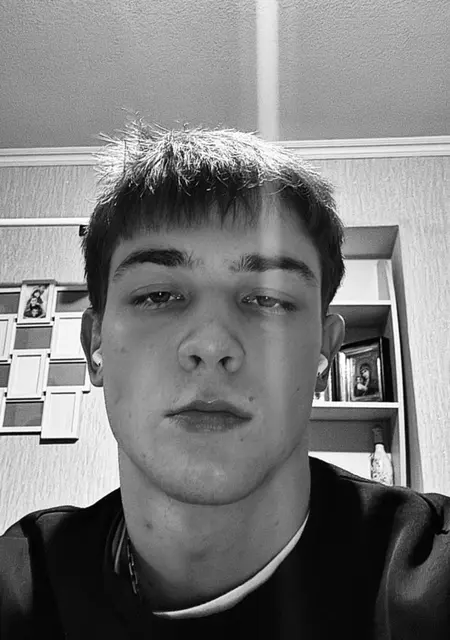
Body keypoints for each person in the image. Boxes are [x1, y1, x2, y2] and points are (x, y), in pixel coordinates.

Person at [1, 120, 450, 639]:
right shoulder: (26, 582)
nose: (212, 345)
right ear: (94, 347)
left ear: (324, 353)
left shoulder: (429, 579)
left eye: (268, 299)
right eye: (157, 295)